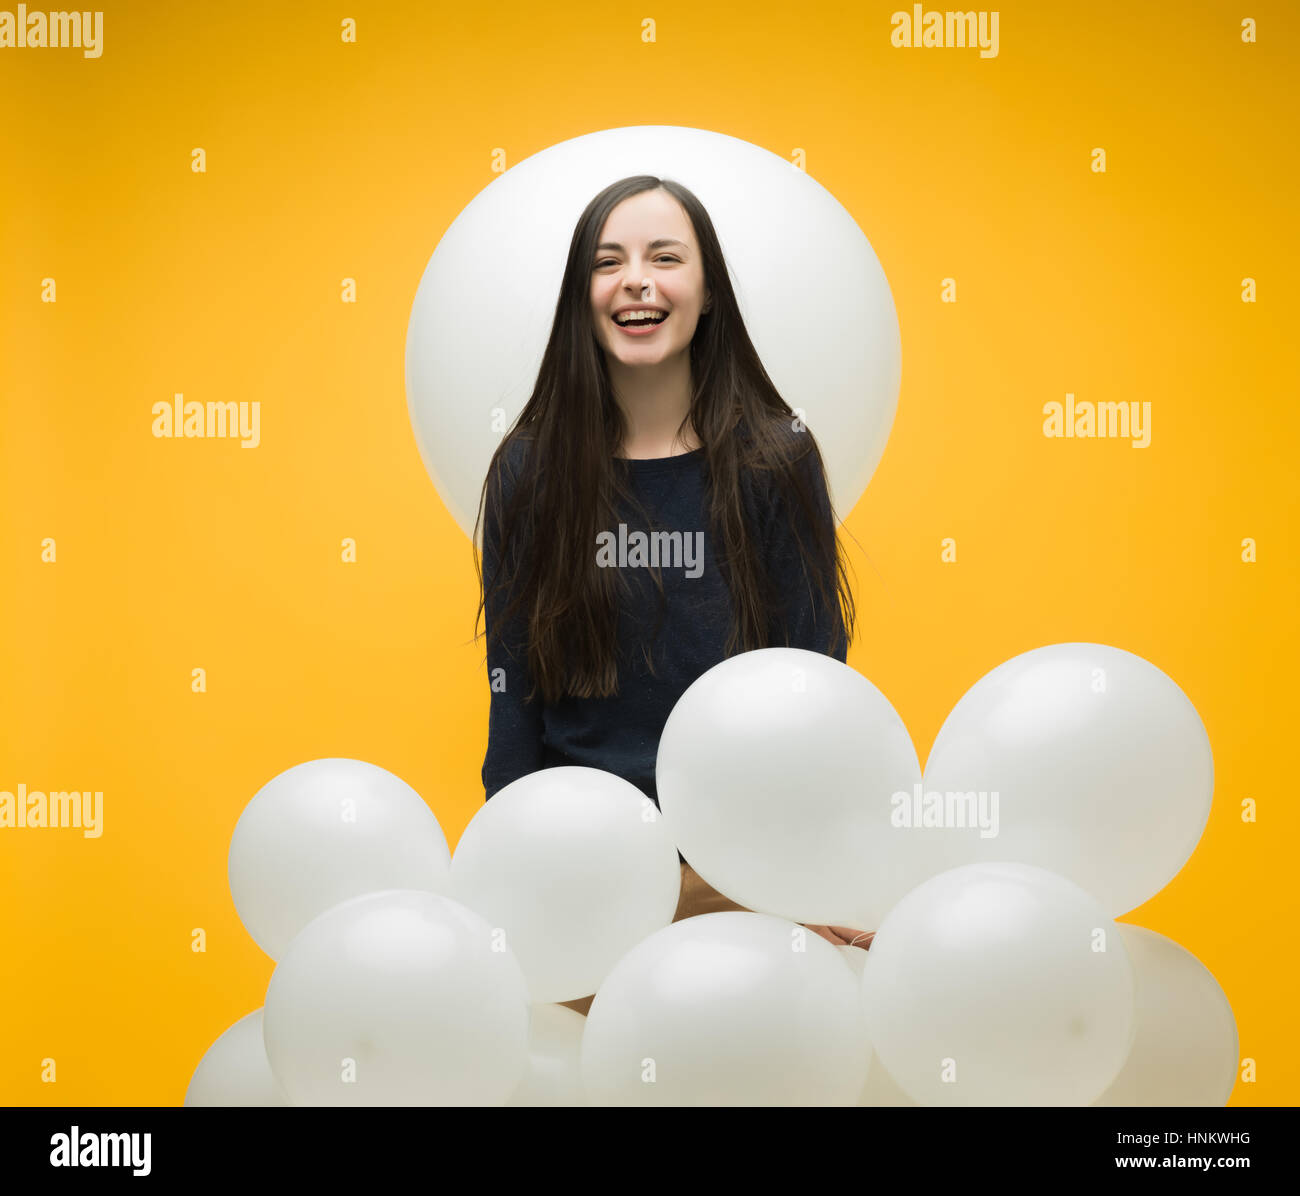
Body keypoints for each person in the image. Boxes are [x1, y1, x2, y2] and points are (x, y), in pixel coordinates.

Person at [472, 175, 873, 1015]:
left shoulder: (775, 458)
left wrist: (816, 867)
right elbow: (514, 702)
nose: (637, 280)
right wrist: (514, 870)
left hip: (744, 865)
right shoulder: (528, 472)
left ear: (708, 292)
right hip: (586, 871)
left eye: (665, 258)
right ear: (582, 297)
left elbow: (814, 683)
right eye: (607, 261)